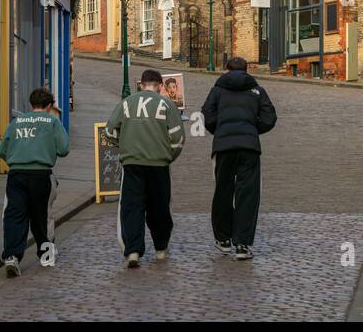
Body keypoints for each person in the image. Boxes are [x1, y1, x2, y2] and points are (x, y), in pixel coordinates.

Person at [104, 68, 185, 268]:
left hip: (132, 163)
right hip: (158, 163)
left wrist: (122, 145)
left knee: (132, 207)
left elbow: (109, 131)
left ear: (140, 84)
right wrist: (169, 156)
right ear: (159, 86)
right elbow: (178, 138)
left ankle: (132, 250)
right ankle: (160, 247)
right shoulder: (166, 104)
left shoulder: (126, 104)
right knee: (159, 207)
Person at [201, 56, 277, 260]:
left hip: (223, 146)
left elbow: (207, 114)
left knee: (223, 191)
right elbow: (270, 118)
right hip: (249, 148)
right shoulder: (257, 90)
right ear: (247, 70)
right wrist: (252, 130)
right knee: (248, 194)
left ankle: (223, 239)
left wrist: (219, 130)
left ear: (227, 69)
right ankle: (243, 244)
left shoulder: (217, 90)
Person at [0, 88, 70, 277]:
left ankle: (12, 255)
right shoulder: (53, 121)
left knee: (15, 215)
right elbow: (64, 149)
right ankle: (46, 255)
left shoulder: (17, 121)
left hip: (17, 174)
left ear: (31, 105)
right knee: (41, 217)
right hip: (40, 174)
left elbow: (2, 150)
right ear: (49, 106)